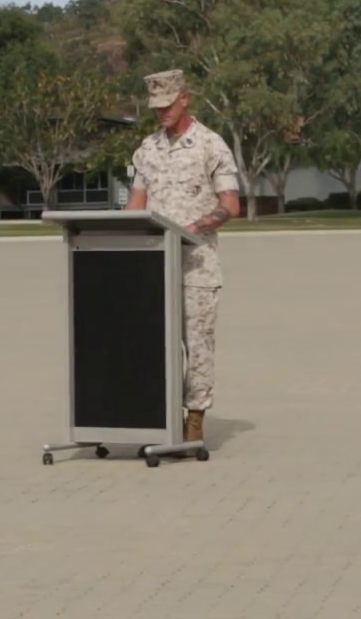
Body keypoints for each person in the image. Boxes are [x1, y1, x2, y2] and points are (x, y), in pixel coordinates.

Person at [124, 69, 241, 445]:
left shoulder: (210, 144)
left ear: (185, 99)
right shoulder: (147, 149)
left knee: (198, 344)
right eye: (156, 107)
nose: (161, 113)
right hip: (155, 265)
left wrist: (196, 227)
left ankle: (194, 419)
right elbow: (135, 205)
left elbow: (230, 205)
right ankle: (159, 419)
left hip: (197, 266)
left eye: (168, 105)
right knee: (156, 345)